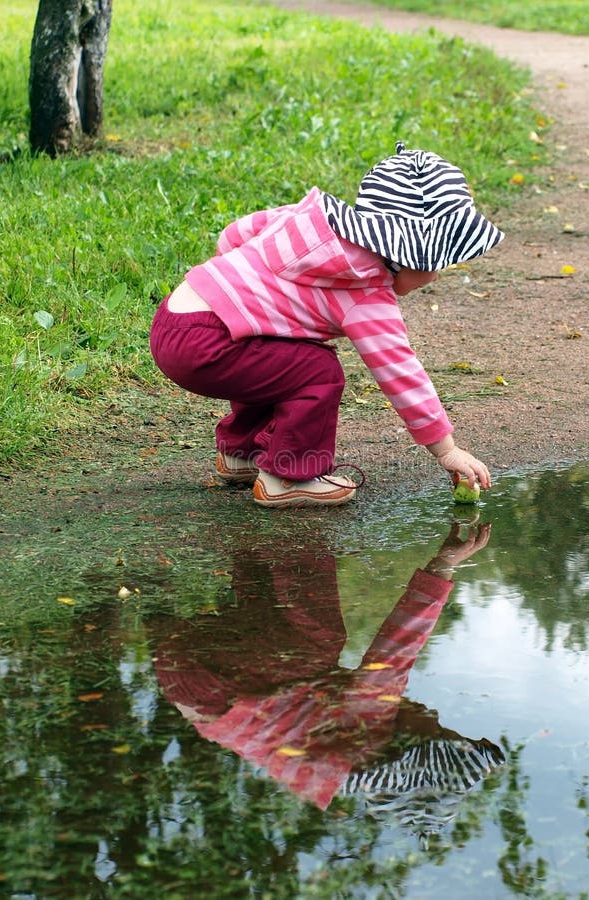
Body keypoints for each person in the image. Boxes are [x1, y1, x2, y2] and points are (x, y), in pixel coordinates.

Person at [149, 142, 504, 508]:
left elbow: (233, 235)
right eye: (439, 261)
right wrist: (446, 450)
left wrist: (251, 296)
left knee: (282, 355)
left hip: (173, 319)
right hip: (204, 346)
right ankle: (288, 476)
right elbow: (401, 374)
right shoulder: (365, 291)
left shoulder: (307, 218)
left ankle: (242, 452)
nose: (436, 274)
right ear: (412, 254)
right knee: (319, 371)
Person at [152, 519, 503, 835]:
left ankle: (300, 535)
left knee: (320, 641)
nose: (434, 715)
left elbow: (396, 651)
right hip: (186, 678)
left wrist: (442, 567)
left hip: (211, 673)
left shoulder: (369, 732)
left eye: (437, 729)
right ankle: (254, 541)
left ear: (410, 749)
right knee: (301, 659)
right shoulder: (328, 768)